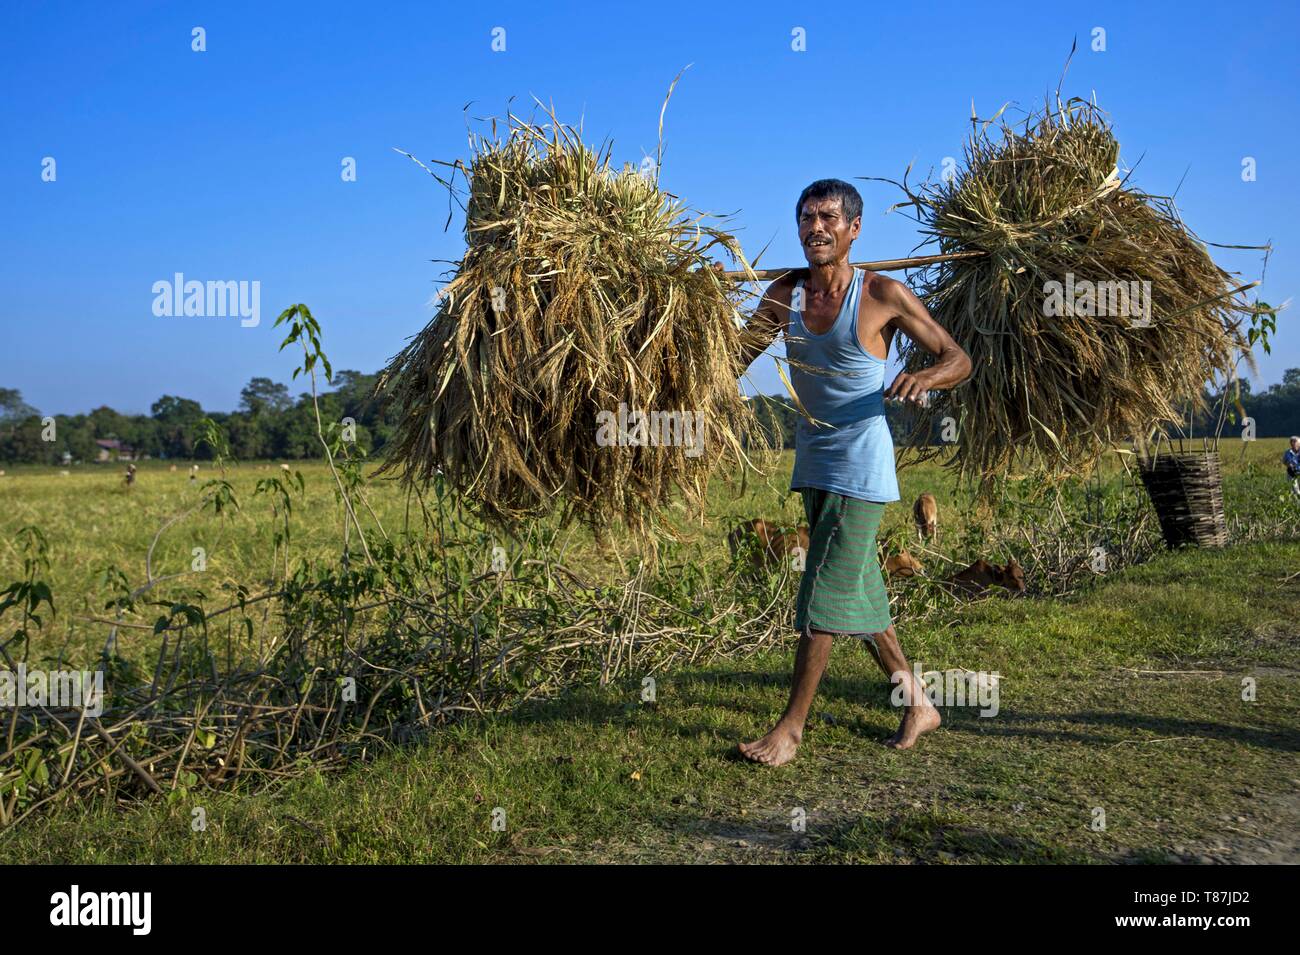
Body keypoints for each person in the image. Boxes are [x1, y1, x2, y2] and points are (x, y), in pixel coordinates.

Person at [733, 179, 971, 765]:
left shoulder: (883, 294)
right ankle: (918, 702)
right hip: (811, 462)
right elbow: (734, 357)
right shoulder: (784, 293)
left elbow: (957, 357)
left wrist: (924, 378)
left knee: (821, 594)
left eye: (829, 218)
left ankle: (791, 727)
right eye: (806, 217)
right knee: (857, 589)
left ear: (854, 229)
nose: (815, 227)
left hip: (862, 467)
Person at [1285, 436, 1300, 501]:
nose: (1293, 443)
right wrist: (1289, 464)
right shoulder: (1288, 452)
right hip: (1291, 473)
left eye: (1295, 442)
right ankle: (1296, 504)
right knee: (1294, 489)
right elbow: (1284, 461)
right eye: (1292, 442)